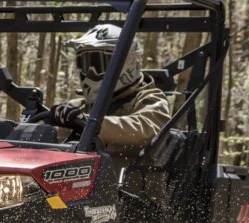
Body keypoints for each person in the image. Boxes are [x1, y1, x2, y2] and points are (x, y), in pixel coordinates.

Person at [48, 24, 171, 167]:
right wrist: (50, 121)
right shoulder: (79, 106)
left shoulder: (151, 99)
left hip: (129, 186)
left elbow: (145, 129)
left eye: (98, 63)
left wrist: (93, 124)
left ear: (128, 63)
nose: (91, 72)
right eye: (86, 63)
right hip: (78, 184)